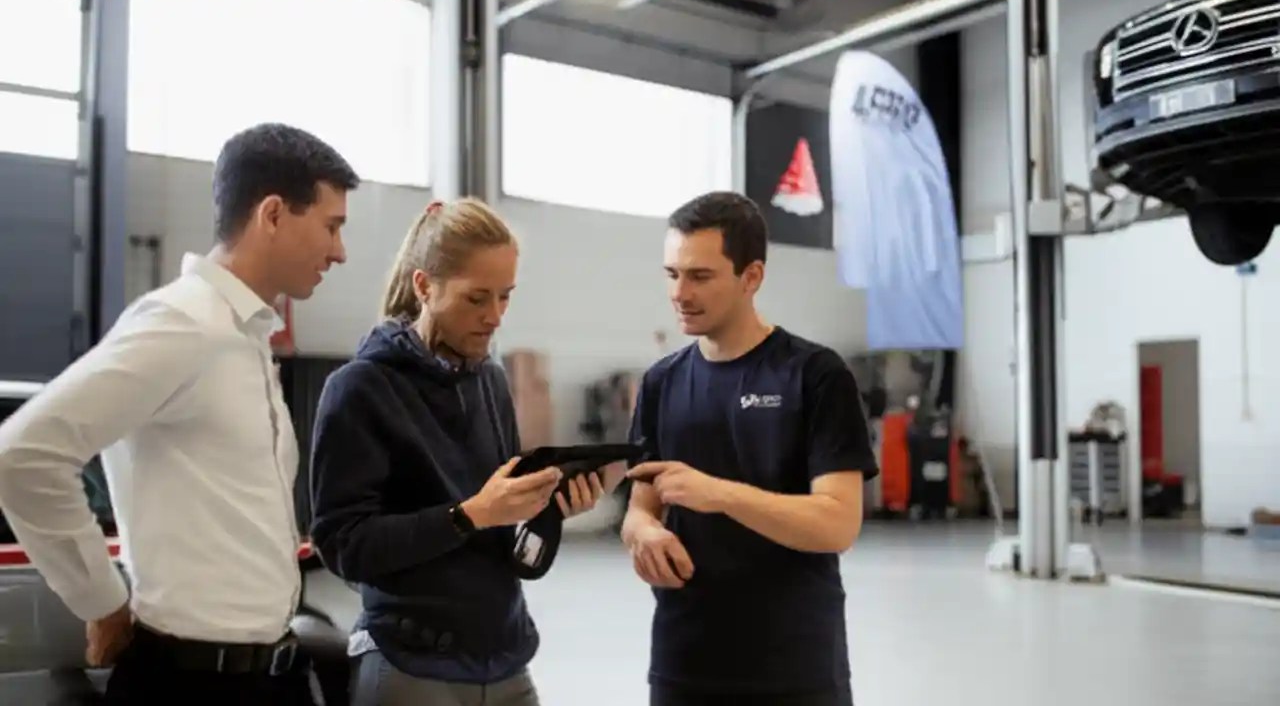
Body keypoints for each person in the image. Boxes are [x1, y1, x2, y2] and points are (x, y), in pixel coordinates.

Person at [0, 122, 359, 704]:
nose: (340, 251)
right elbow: (23, 456)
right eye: (331, 226)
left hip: (270, 674)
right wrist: (103, 603)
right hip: (189, 683)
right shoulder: (183, 323)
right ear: (272, 214)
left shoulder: (243, 336)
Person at [308, 197, 606, 706]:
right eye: (477, 299)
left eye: (506, 297)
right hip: (411, 665)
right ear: (425, 286)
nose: (495, 317)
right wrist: (468, 515)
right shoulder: (360, 389)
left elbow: (503, 531)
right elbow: (344, 547)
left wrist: (549, 510)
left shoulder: (489, 380)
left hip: (504, 654)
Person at [621, 191, 879, 706]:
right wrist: (643, 533)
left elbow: (837, 524)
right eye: (672, 274)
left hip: (794, 669)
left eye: (700, 276)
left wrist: (719, 494)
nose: (680, 292)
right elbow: (640, 506)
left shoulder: (815, 375)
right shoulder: (661, 383)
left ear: (751, 276)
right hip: (684, 663)